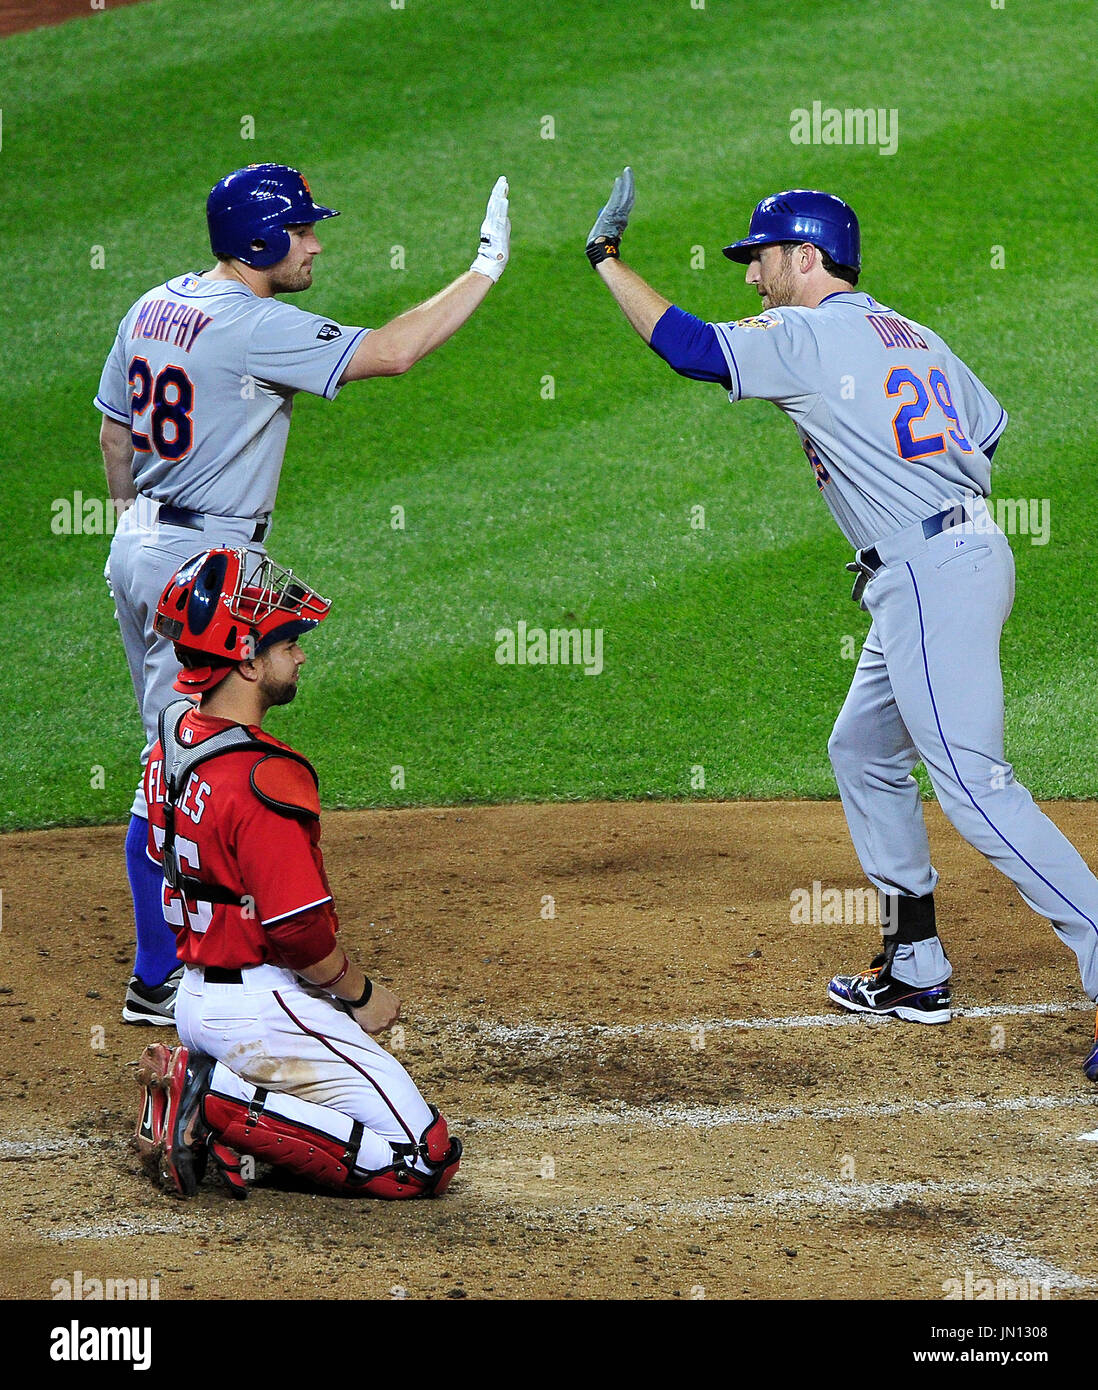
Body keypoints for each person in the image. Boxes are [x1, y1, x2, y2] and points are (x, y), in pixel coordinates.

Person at [586, 170, 1098, 1076]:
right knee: (862, 750)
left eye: (761, 259)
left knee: (976, 786)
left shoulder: (806, 330)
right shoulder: (913, 332)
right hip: (947, 557)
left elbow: (693, 349)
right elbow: (986, 432)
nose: (752, 277)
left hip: (931, 571)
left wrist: (608, 261)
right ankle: (913, 964)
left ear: (807, 256)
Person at [95, 163, 509, 1025]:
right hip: (198, 562)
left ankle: (169, 953)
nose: (316, 243)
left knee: (167, 747)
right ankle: (156, 975)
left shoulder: (155, 302)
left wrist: (140, 531)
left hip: (141, 544)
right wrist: (483, 272)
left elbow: (113, 432)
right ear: (259, 242)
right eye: (301, 231)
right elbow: (392, 352)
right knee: (178, 763)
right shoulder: (253, 325)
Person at [132, 546, 461, 1199]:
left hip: (195, 997)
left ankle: (224, 1129)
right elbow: (300, 933)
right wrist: (361, 995)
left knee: (336, 1120)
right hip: (261, 1008)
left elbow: (149, 854)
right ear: (248, 662)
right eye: (285, 642)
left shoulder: (173, 734)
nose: (301, 654)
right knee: (422, 1160)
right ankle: (205, 1097)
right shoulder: (261, 776)